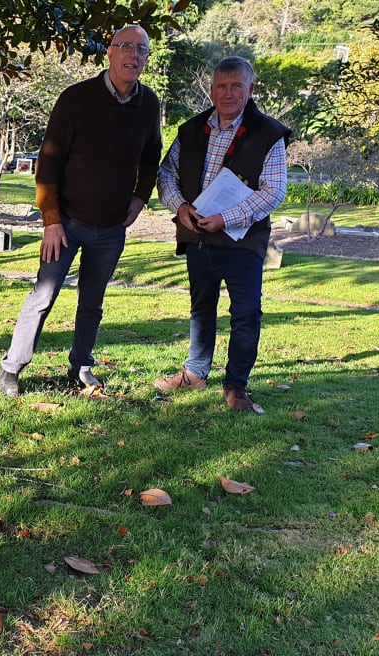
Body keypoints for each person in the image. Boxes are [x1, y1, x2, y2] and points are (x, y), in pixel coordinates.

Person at [0, 25, 161, 397]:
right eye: (125, 47)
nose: (133, 56)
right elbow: (49, 163)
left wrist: (139, 198)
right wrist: (51, 221)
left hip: (111, 228)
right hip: (67, 223)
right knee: (43, 296)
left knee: (93, 301)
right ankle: (11, 368)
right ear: (110, 52)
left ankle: (81, 366)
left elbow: (151, 157)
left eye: (141, 50)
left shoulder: (149, 104)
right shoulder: (76, 98)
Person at [154, 56, 290, 411]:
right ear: (212, 89)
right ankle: (195, 373)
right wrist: (180, 208)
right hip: (197, 237)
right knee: (201, 309)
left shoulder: (269, 134)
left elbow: (274, 191)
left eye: (236, 86)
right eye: (221, 86)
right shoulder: (190, 129)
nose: (228, 93)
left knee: (246, 312)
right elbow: (166, 173)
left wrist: (225, 218)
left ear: (250, 89)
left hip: (242, 240)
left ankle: (236, 386)